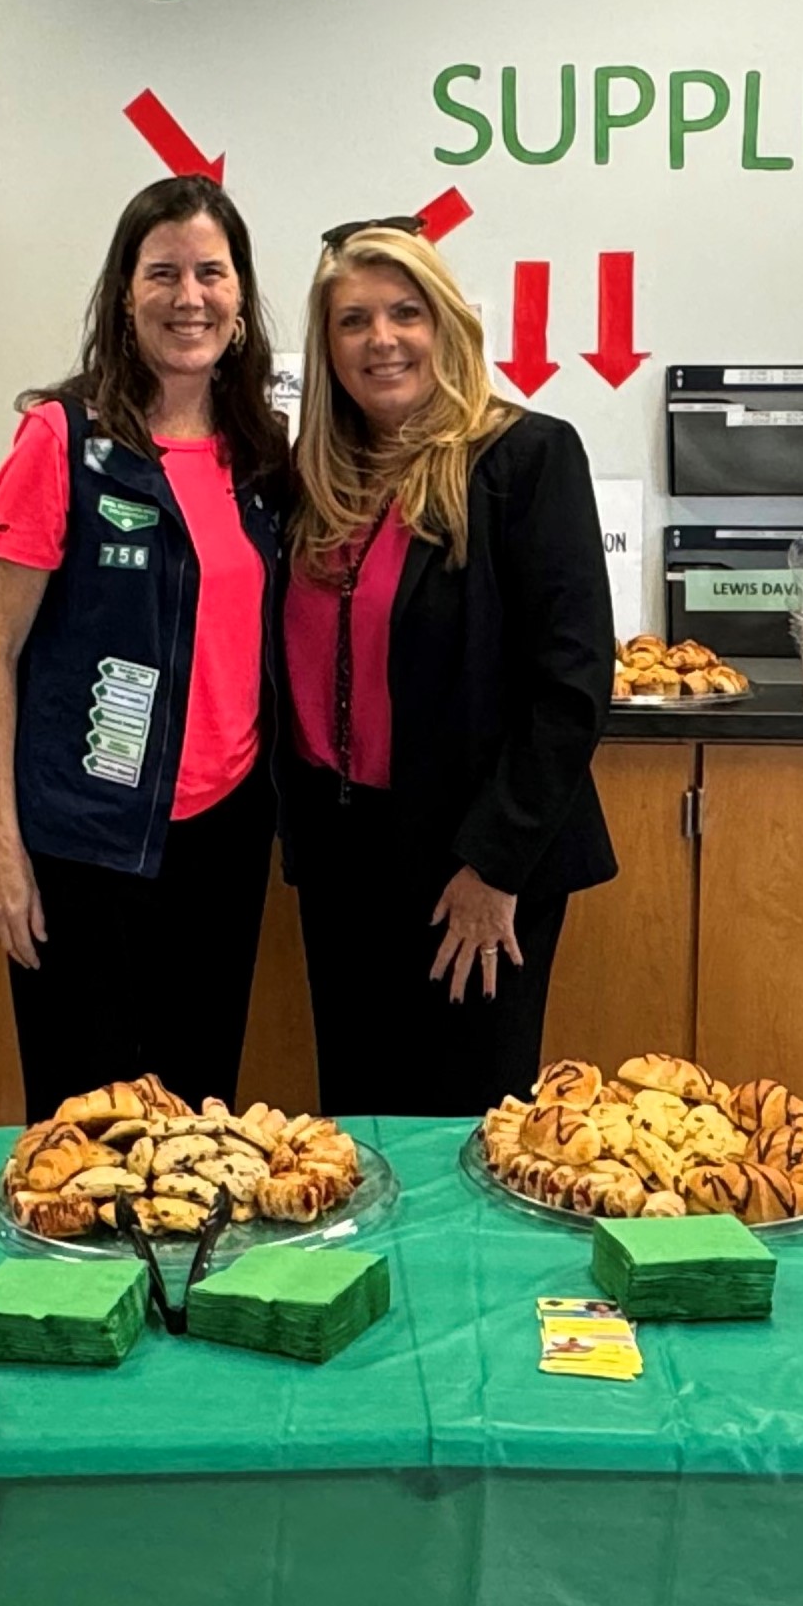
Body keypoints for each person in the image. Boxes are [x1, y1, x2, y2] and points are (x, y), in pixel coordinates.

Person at [0, 176, 290, 1120]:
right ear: (124, 294)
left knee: (200, 1124)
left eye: (210, 273)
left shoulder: (261, 453)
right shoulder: (60, 438)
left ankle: (181, 1280)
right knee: (86, 1129)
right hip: (86, 840)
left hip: (223, 839)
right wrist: (0, 844)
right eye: (163, 274)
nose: (188, 297)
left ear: (238, 298)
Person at [278, 220, 616, 1118]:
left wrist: (492, 865)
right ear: (327, 347)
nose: (380, 340)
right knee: (354, 1123)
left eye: (404, 313)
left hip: (473, 861)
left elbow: (572, 684)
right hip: (343, 856)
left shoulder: (524, 457)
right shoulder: (313, 480)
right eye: (352, 321)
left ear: (448, 328)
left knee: (465, 1126)